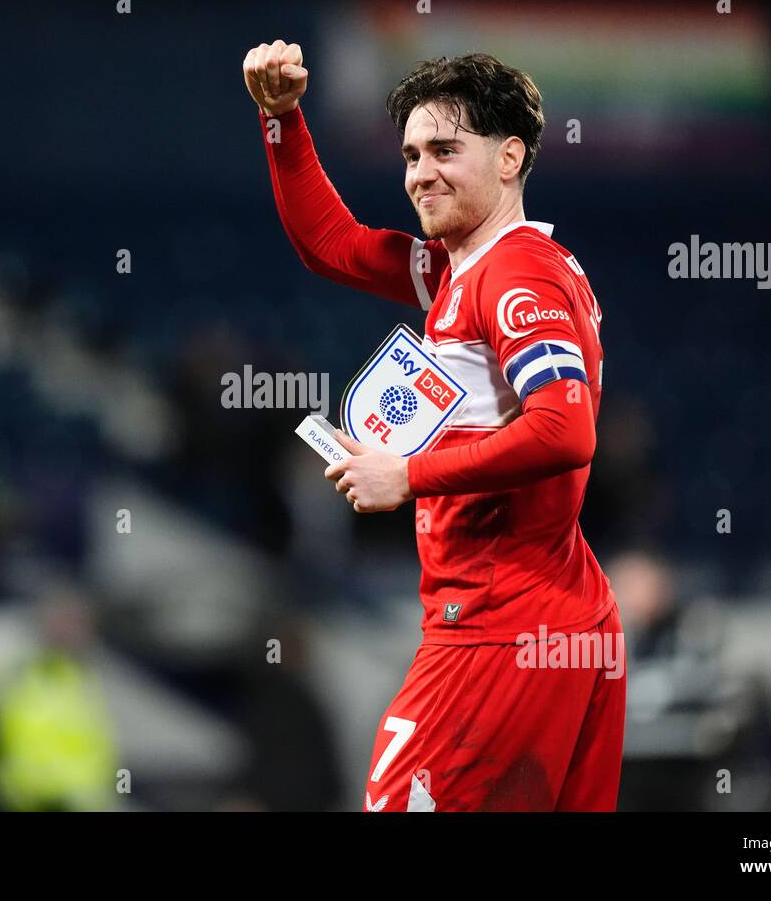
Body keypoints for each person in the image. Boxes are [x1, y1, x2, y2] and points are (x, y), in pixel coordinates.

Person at [243, 41, 623, 810]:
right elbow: (334, 245)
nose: (420, 172)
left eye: (446, 149)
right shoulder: (461, 269)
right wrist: (281, 119)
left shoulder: (516, 274)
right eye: (412, 154)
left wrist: (406, 476)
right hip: (565, 616)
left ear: (511, 157)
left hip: (497, 624)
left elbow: (566, 430)